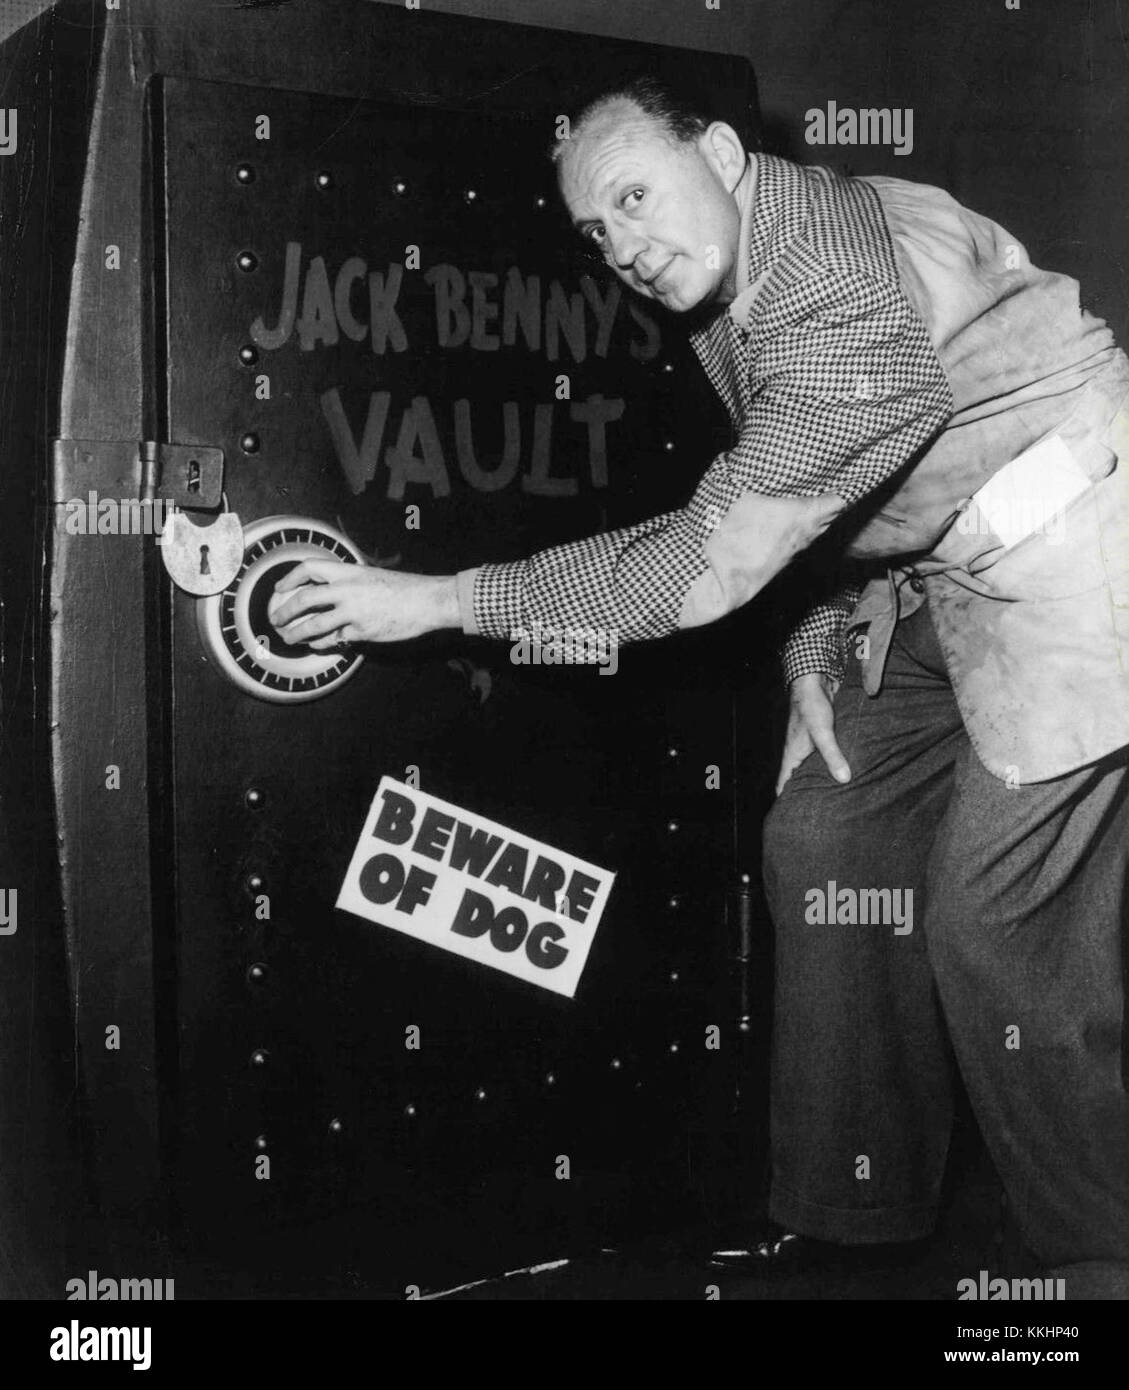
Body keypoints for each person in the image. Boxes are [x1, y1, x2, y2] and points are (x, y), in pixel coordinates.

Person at [269, 76, 1129, 1298]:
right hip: (942, 564)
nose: (622, 246)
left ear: (720, 152)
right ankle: (853, 1207)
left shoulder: (827, 284)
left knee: (993, 920)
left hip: (1076, 542)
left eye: (633, 195)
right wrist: (817, 629)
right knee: (826, 835)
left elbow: (708, 561)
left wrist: (437, 600)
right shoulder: (745, 257)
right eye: (597, 231)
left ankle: (1099, 1251)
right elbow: (839, 489)